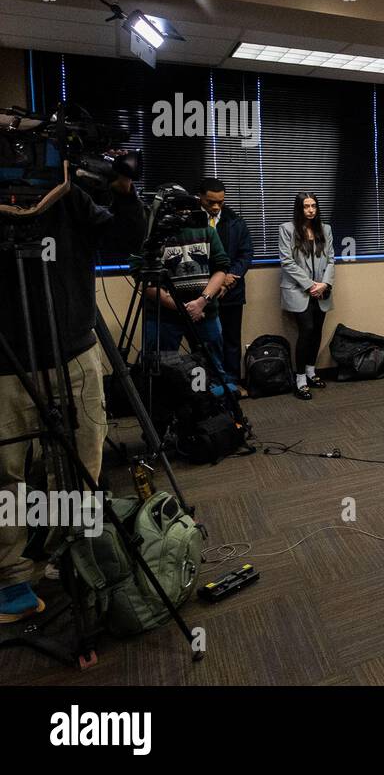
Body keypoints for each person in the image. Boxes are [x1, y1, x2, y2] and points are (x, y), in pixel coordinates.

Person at [0, 173, 145, 623]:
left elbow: (125, 241)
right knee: (7, 476)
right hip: (6, 362)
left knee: (84, 463)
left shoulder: (68, 194)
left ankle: (75, 556)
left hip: (75, 350)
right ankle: (12, 578)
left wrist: (124, 194)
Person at [133, 195, 237, 397]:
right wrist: (182, 307)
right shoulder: (149, 235)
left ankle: (220, 417)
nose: (183, 214)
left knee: (214, 369)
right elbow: (142, 276)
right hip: (163, 316)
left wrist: (201, 302)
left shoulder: (206, 229)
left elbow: (221, 267)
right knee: (161, 370)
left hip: (205, 312)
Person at [198, 178, 254, 393]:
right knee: (206, 340)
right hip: (202, 292)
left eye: (220, 202)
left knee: (231, 339)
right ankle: (209, 384)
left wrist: (230, 278)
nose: (215, 207)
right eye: (210, 202)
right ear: (200, 197)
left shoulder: (235, 221)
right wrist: (213, 284)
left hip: (231, 291)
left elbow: (246, 253)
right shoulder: (191, 221)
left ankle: (232, 384)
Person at [279, 192, 335, 401]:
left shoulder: (325, 229)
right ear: (299, 209)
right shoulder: (287, 229)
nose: (311, 210)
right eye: (306, 206)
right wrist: (310, 285)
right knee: (307, 330)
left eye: (313, 206)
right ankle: (300, 378)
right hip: (298, 289)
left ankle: (311, 372)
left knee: (317, 330)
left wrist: (325, 284)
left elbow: (331, 259)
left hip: (322, 289)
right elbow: (287, 262)